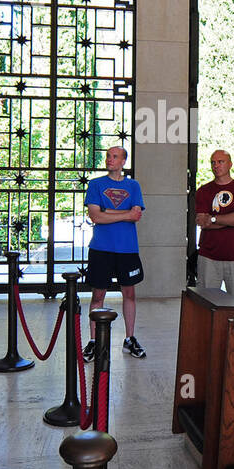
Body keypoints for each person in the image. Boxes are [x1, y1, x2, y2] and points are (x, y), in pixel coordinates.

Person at [83, 145, 146, 361]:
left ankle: (130, 339)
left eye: (115, 156)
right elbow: (96, 217)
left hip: (127, 249)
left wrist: (108, 211)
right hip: (101, 248)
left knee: (129, 293)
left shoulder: (133, 185)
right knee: (98, 295)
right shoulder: (95, 184)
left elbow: (136, 215)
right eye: (108, 156)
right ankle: (93, 341)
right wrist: (124, 213)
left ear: (123, 162)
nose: (110, 159)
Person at [195, 150, 234, 302]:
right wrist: (232, 220)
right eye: (213, 162)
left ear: (230, 164)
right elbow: (202, 222)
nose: (216, 165)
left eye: (221, 161)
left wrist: (213, 220)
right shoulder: (203, 191)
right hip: (208, 255)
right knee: (206, 304)